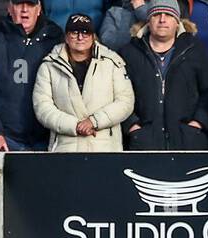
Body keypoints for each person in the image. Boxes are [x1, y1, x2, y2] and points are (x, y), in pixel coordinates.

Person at [0, 0, 64, 152]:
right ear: (9, 7)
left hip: (48, 137)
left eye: (30, 4)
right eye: (19, 4)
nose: (25, 10)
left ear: (39, 9)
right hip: (6, 139)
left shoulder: (56, 39)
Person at [32, 13, 134, 152]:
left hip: (104, 147)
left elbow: (125, 101)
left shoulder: (112, 62)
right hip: (64, 148)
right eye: (75, 32)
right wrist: (74, 126)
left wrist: (94, 121)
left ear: (93, 36)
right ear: (66, 37)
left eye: (86, 32)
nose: (80, 37)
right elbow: (42, 107)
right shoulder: (49, 66)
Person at [121, 0, 208, 150]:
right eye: (157, 14)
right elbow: (119, 93)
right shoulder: (129, 52)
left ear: (177, 22)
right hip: (143, 142)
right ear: (148, 20)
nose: (162, 20)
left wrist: (198, 123)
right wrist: (132, 125)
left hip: (188, 140)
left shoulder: (195, 49)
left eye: (169, 15)